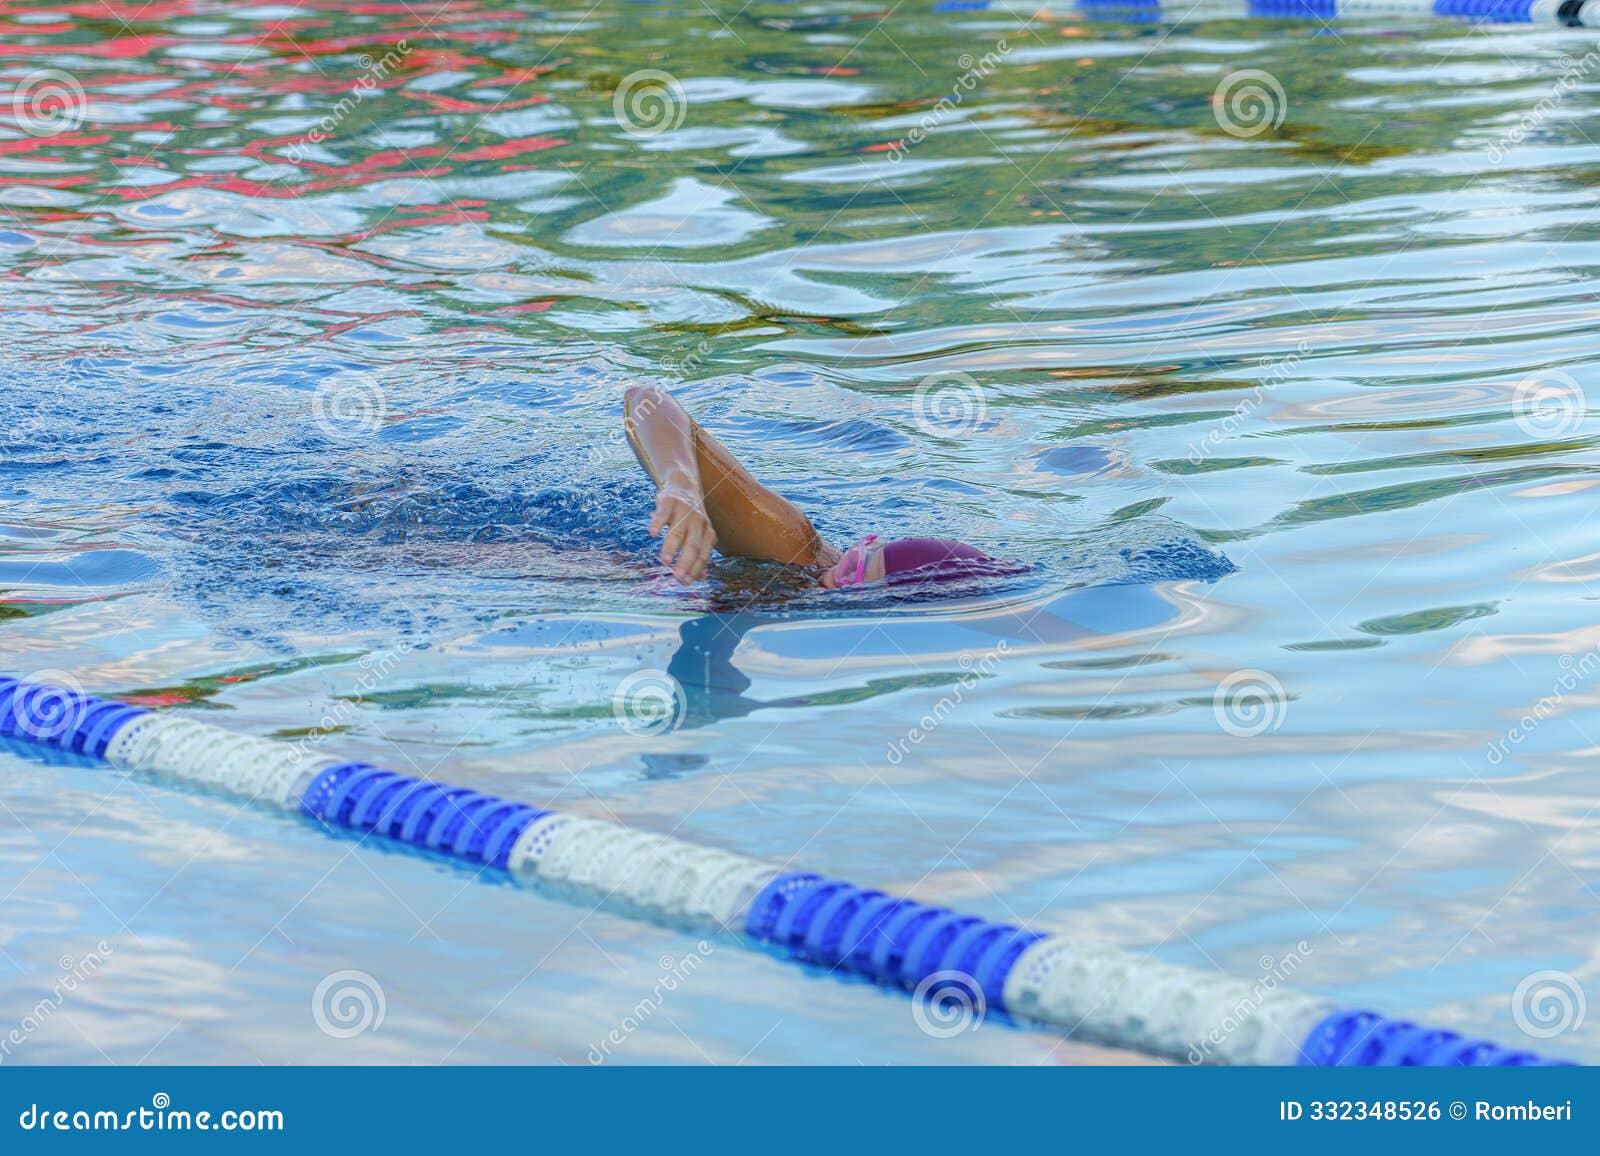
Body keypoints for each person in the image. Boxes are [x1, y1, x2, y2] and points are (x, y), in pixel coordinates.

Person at [623, 386, 1010, 588]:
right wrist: (681, 483)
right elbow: (646, 401)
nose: (838, 576)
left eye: (855, 573)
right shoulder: (792, 550)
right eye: (856, 565)